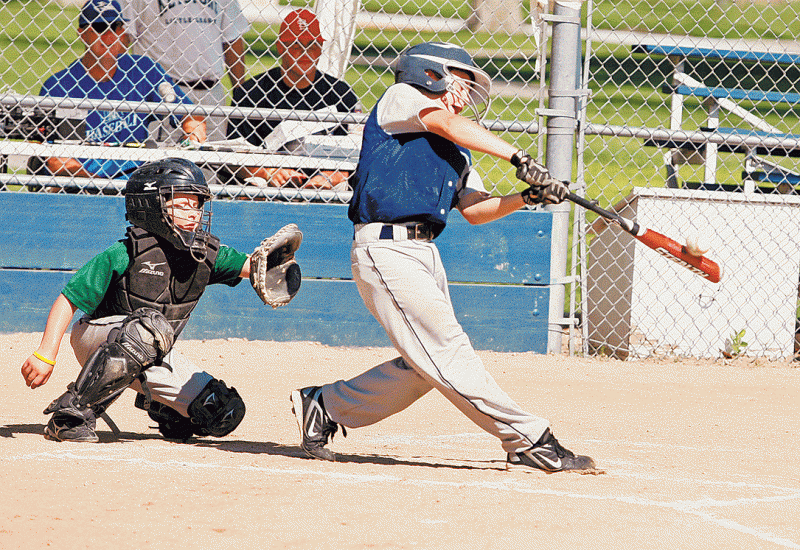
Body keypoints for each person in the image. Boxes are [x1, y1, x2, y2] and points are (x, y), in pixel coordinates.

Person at [289, 42, 596, 473]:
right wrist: (517, 156)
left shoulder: (458, 148)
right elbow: (444, 122)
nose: (467, 93)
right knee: (448, 354)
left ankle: (326, 406)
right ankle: (529, 438)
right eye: (462, 81)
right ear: (431, 73)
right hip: (386, 247)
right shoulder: (403, 100)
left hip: (424, 253)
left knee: (425, 365)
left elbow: (475, 210)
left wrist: (527, 196)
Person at [19, 157, 296, 443]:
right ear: (151, 205)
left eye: (197, 204)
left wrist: (273, 264)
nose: (193, 213)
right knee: (147, 330)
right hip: (96, 337)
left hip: (151, 346)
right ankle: (71, 415)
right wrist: (45, 354)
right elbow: (69, 299)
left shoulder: (206, 254)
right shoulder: (127, 251)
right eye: (181, 203)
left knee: (222, 411)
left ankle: (164, 407)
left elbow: (253, 266)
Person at [39, 0, 205, 180]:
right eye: (100, 28)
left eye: (116, 27)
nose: (110, 36)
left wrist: (192, 138)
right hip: (82, 186)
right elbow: (59, 160)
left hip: (137, 183)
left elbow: (192, 116)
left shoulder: (142, 70)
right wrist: (98, 185)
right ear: (82, 34)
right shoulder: (61, 86)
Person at [226, 9, 360, 190]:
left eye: (312, 45)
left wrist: (333, 176)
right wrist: (267, 171)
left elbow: (357, 151)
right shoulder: (252, 92)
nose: (306, 53)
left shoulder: (341, 94)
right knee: (254, 185)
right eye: (297, 45)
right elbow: (233, 158)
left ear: (320, 49)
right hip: (269, 178)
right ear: (281, 47)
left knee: (341, 185)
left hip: (325, 178)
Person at [120, 0, 249, 141]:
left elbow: (232, 37)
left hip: (212, 93)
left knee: (215, 158)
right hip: (165, 91)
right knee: (161, 158)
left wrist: (239, 90)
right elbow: (122, 37)